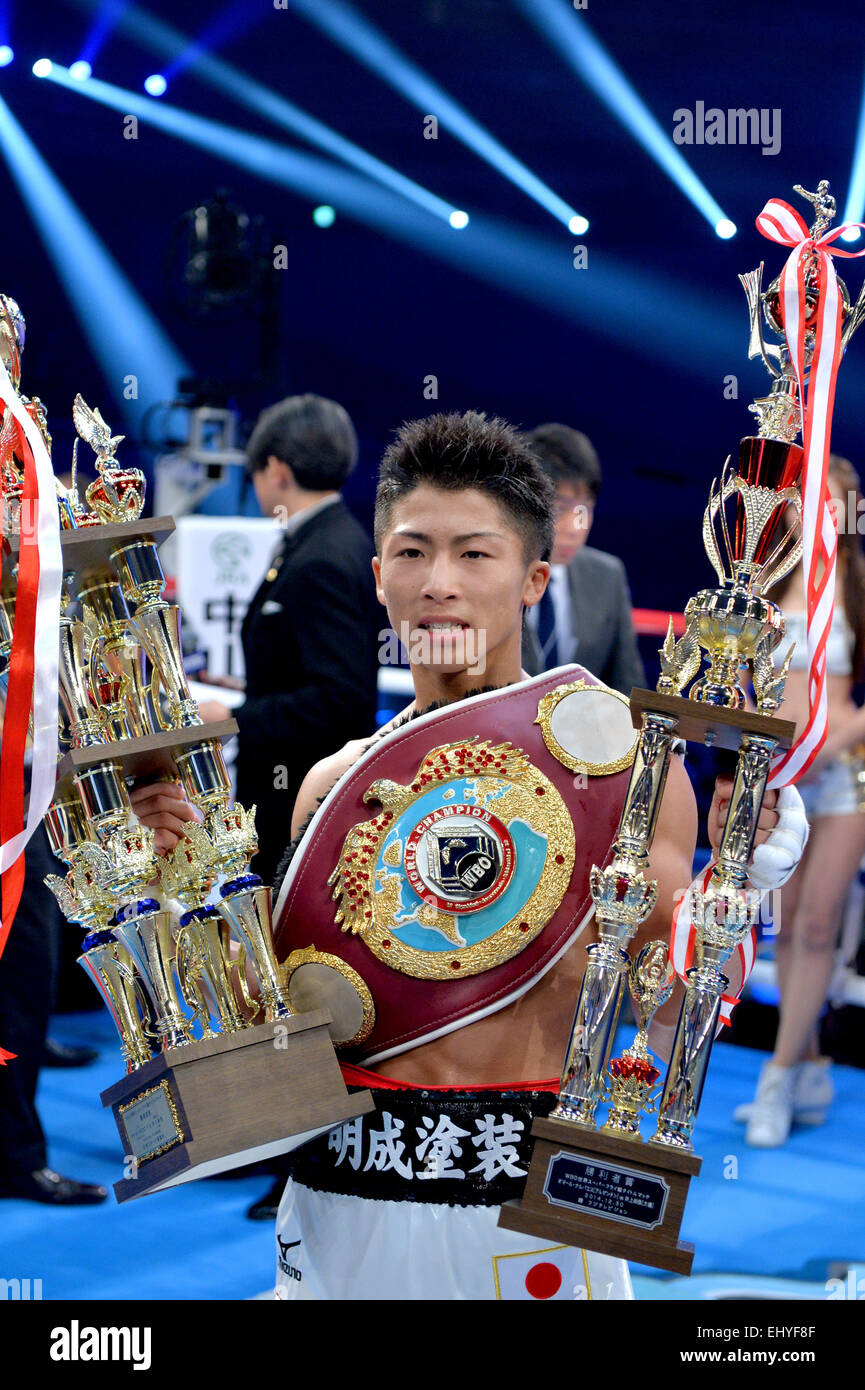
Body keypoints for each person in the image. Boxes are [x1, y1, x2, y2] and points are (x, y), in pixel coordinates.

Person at [132, 411, 795, 1299]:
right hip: (340, 1192)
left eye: (473, 555)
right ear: (377, 577)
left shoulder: (616, 763)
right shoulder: (333, 784)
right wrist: (166, 893)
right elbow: (281, 1029)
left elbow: (669, 1008)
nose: (438, 583)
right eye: (411, 553)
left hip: (523, 1201)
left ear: (532, 578)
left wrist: (745, 883)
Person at [196, 393, 382, 886]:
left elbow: (340, 698)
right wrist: (240, 686)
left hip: (303, 804)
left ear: (276, 469)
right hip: (297, 792)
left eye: (254, 474)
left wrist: (232, 718)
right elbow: (310, 668)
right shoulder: (327, 539)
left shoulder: (323, 555)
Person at [735, 455, 865, 1148]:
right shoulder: (764, 583)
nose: (817, 512)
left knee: (817, 926)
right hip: (778, 774)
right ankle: (810, 1062)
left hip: (846, 776)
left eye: (832, 501)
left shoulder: (859, 583)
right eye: (805, 500)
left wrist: (826, 743)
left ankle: (776, 1080)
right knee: (783, 930)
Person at [0, 824, 106, 1205]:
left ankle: (16, 1155)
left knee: (26, 985)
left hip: (20, 816)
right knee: (21, 983)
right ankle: (16, 1157)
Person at [521, 423, 645, 695]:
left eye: (585, 508)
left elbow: (628, 687)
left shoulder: (607, 575)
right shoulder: (491, 572)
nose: (577, 526)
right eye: (560, 508)